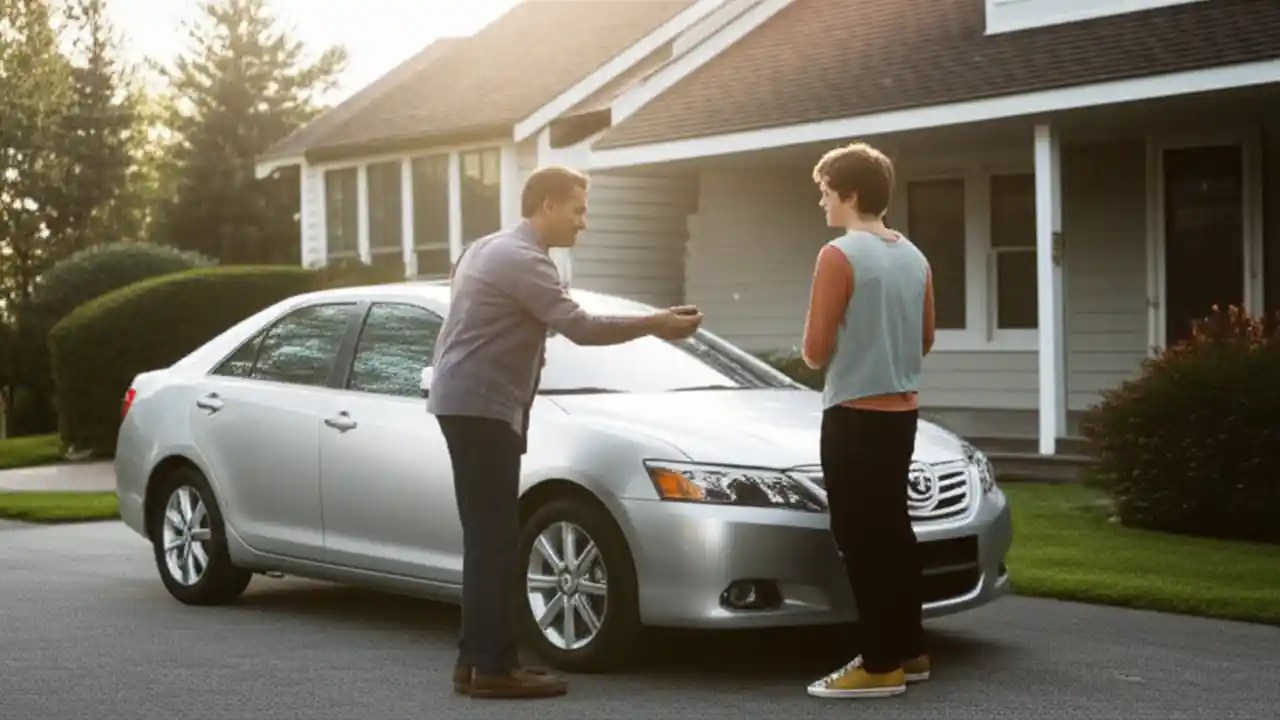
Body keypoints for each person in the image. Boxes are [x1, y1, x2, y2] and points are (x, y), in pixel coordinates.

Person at [426, 165, 704, 699]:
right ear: (547, 206)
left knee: (489, 537)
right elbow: (579, 326)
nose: (584, 221)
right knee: (495, 539)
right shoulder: (521, 258)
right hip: (482, 408)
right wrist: (655, 323)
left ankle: (477, 661)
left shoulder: (489, 247)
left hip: (470, 404)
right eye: (577, 208)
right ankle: (492, 668)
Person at [799, 142, 936, 700]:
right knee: (894, 532)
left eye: (826, 192)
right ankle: (910, 649)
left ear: (850, 194)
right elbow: (926, 339)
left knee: (859, 537)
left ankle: (879, 664)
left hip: (853, 413)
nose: (823, 203)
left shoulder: (839, 254)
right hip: (902, 415)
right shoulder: (915, 257)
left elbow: (813, 351)